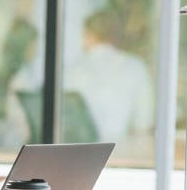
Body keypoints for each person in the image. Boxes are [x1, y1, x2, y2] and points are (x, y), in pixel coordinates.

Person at [63, 9, 154, 143]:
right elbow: (143, 123)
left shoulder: (71, 72)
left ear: (89, 35)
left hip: (79, 155)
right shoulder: (135, 68)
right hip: (125, 156)